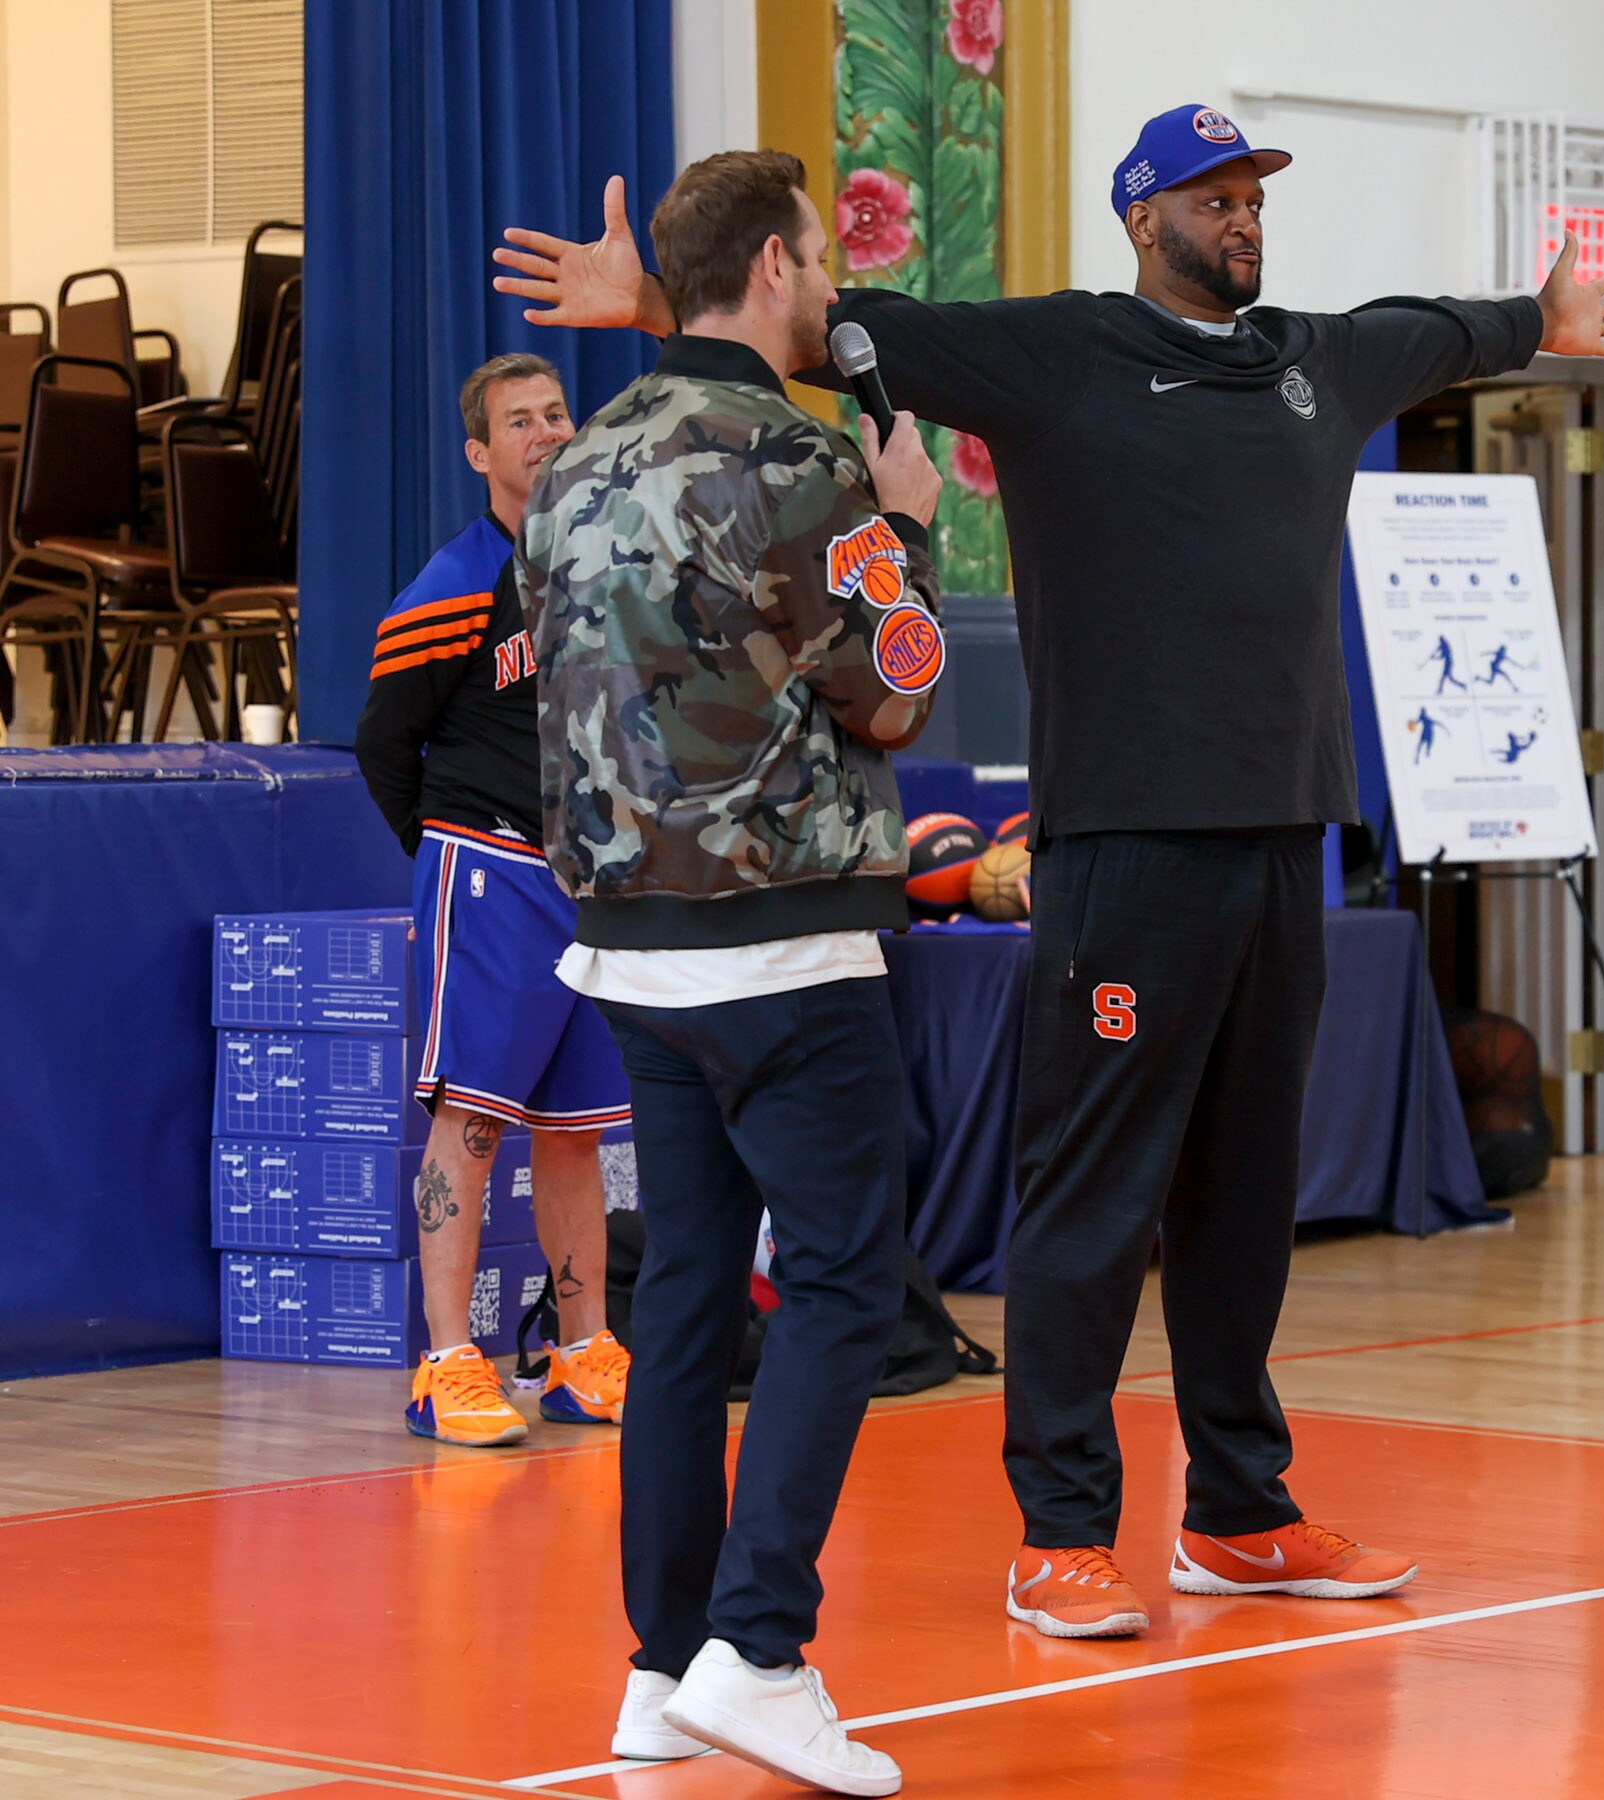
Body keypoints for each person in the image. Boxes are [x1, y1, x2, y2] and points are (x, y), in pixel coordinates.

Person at [493, 102, 1604, 1642]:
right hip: (1121, 850)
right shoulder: (1063, 354)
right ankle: (1061, 1529)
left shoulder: (1318, 362)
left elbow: (1435, 333)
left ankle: (1239, 1510)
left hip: (1283, 838)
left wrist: (1543, 320)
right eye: (1213, 197)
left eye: (1255, 199)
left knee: (1245, 1190)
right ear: (1140, 213)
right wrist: (654, 300)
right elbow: (835, 328)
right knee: (1095, 1193)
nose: (1244, 219)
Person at [513, 150, 944, 1796]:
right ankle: (759, 1648)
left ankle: (657, 1666)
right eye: (822, 258)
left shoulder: (572, 464)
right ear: (771, 269)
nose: (831, 282)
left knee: (686, 1304)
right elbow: (895, 692)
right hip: (785, 940)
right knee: (841, 1280)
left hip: (627, 944)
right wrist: (901, 524)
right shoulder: (801, 457)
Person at [353, 353, 634, 1447]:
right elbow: (385, 747)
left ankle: (581, 1350)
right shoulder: (456, 585)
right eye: (519, 421)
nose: (545, 432)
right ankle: (444, 1362)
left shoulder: (603, 564)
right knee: (470, 1123)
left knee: (573, 1135)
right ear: (480, 454)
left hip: (586, 880)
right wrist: (447, 859)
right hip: (491, 869)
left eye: (557, 412)